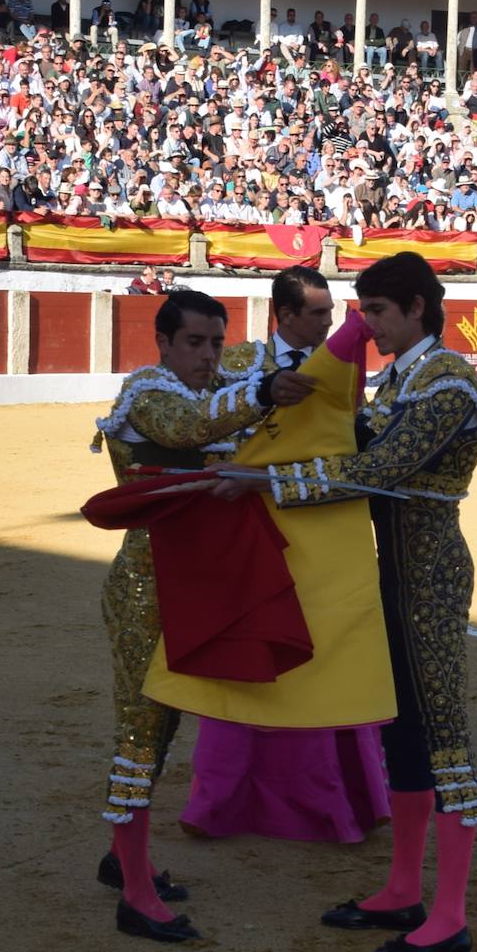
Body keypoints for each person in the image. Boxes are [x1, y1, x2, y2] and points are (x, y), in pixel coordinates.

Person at [215, 252, 477, 952]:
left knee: (442, 732)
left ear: (414, 307)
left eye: (375, 310)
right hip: (389, 575)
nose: (366, 325)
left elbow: (378, 469)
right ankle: (403, 888)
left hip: (430, 579)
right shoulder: (401, 377)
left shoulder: (449, 382)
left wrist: (266, 481)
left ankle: (451, 917)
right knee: (401, 730)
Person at [89, 290, 315, 943]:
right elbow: (188, 428)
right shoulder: (147, 390)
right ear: (163, 343)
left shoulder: (222, 387)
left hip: (199, 587)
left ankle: (122, 859)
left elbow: (258, 397)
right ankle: (136, 895)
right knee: (141, 731)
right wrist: (265, 390)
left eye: (216, 342)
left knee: (162, 731)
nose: (209, 355)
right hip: (146, 588)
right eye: (194, 343)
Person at [180, 267, 390, 843]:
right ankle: (227, 797)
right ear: (286, 314)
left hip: (319, 530)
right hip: (249, 528)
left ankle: (328, 794)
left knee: (324, 653)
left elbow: (344, 443)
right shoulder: (239, 363)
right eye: (317, 313)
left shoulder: (342, 367)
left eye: (331, 313)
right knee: (249, 646)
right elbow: (202, 430)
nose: (328, 323)